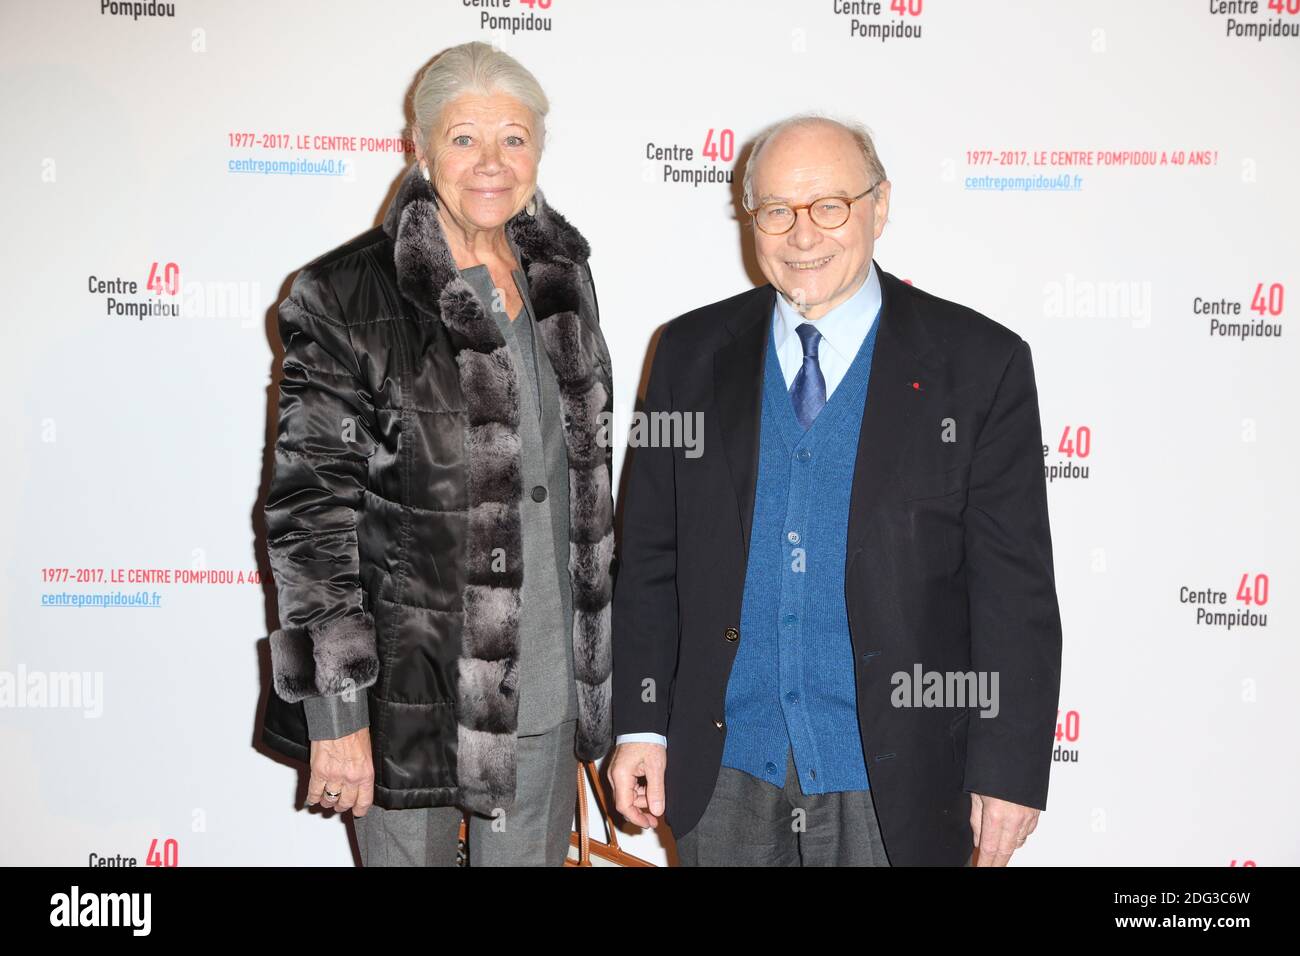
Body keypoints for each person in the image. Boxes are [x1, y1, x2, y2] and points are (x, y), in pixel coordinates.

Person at [608, 114, 1062, 866]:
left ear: (879, 207)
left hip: (901, 784)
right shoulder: (689, 353)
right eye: (776, 210)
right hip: (722, 776)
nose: (802, 235)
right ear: (750, 219)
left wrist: (1008, 769)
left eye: (830, 206)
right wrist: (641, 725)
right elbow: (650, 559)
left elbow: (1014, 591)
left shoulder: (981, 364)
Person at [259, 41, 615, 866]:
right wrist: (337, 712)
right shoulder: (344, 294)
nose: (491, 161)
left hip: (545, 684)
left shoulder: (566, 276)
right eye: (464, 137)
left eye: (513, 138)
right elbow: (311, 516)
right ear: (419, 147)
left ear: (538, 148)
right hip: (406, 694)